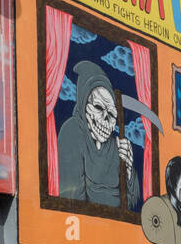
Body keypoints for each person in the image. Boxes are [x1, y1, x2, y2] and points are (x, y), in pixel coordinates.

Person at [57, 60, 140, 208]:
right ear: (83, 104)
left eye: (112, 114)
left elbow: (133, 204)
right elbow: (73, 199)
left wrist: (128, 167)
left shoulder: (116, 145)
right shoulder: (73, 131)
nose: (106, 119)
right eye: (98, 107)